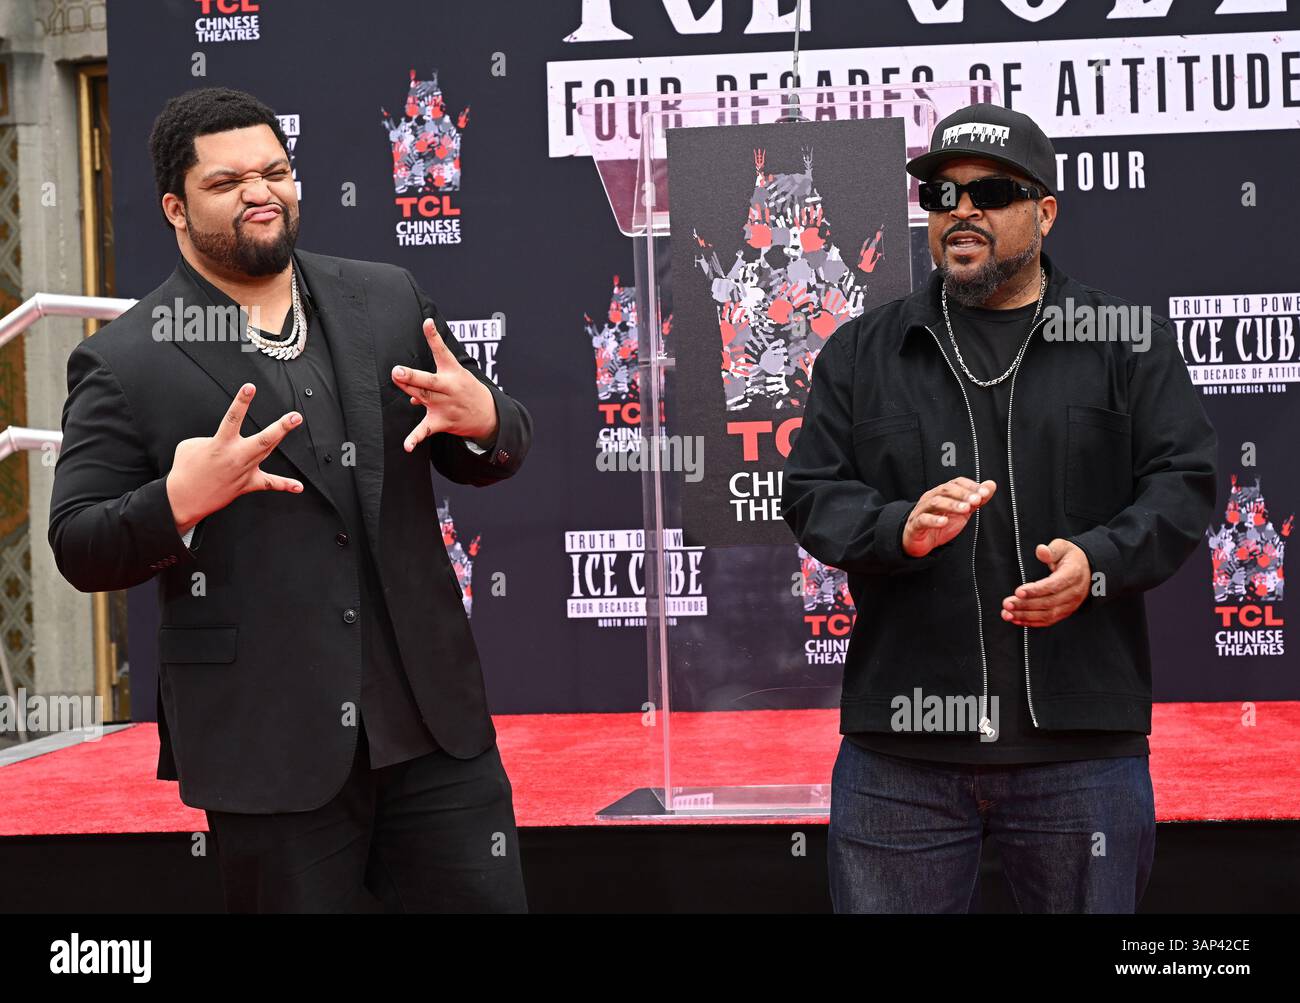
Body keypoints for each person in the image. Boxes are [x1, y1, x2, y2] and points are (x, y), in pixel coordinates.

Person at [48, 87, 532, 913]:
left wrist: (487, 419)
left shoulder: (386, 298)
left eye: (274, 171)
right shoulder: (127, 359)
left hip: (433, 732)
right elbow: (79, 542)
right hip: (267, 749)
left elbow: (484, 447)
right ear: (174, 207)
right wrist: (177, 502)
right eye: (226, 181)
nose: (259, 192)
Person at [781, 103, 1217, 913]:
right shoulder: (864, 351)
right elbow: (812, 492)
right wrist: (896, 528)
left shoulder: (1125, 340)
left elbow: (1182, 482)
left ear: (1044, 213)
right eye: (942, 195)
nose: (962, 211)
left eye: (990, 192)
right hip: (901, 753)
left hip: (1080, 750)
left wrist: (1099, 560)